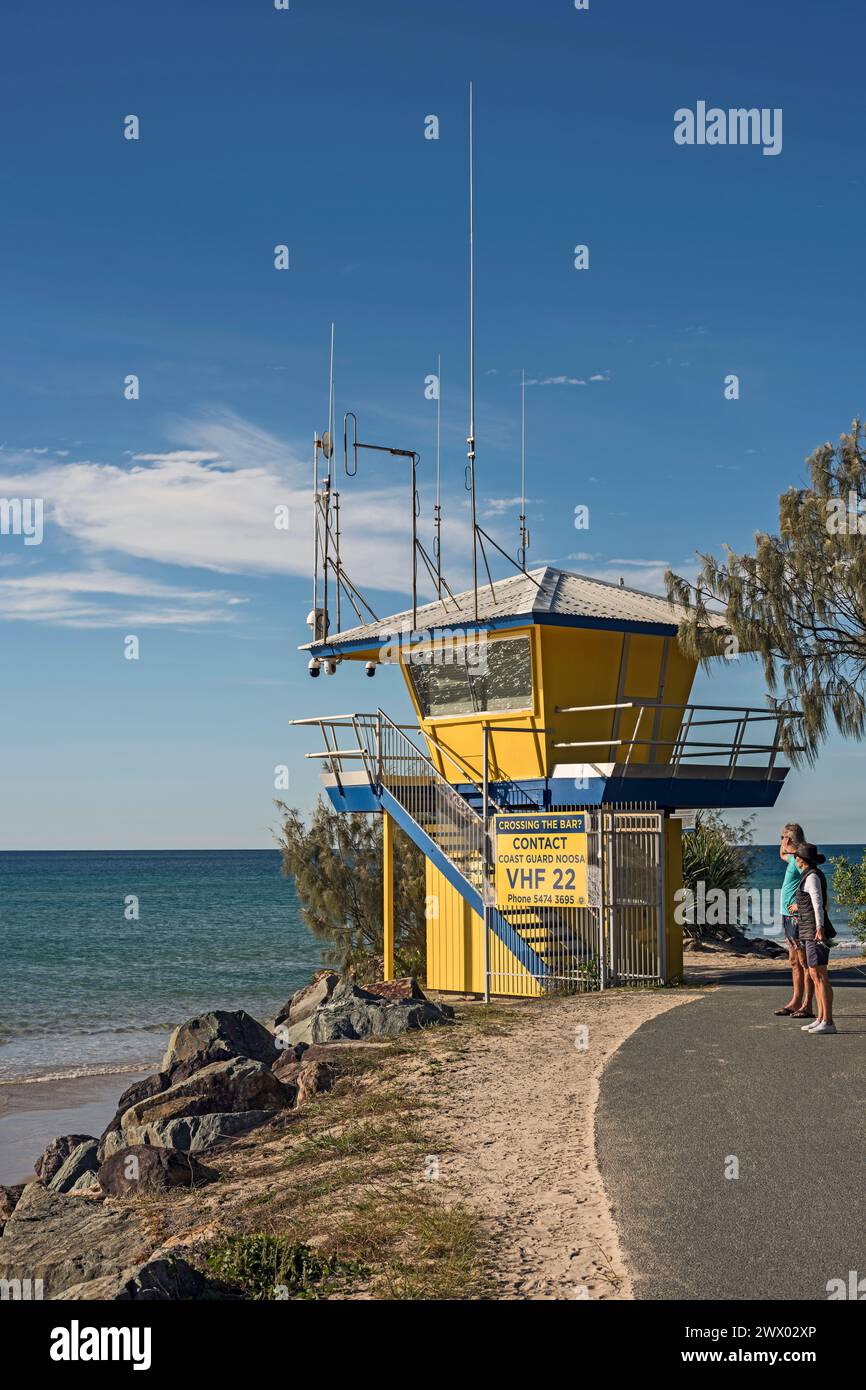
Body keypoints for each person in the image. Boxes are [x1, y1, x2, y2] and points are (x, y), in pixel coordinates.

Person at [791, 842, 837, 1035]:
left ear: (802, 859)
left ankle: (828, 1021)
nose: (795, 859)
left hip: (815, 932)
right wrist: (797, 907)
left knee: (820, 976)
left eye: (796, 857)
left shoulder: (812, 877)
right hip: (808, 931)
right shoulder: (809, 876)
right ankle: (820, 1018)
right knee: (813, 975)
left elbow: (818, 903)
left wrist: (819, 928)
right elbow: (810, 902)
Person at [773, 822, 815, 1020]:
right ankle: (795, 1001)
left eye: (782, 837)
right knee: (793, 961)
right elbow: (782, 854)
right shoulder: (791, 858)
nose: (780, 840)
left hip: (797, 917)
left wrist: (800, 904)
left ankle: (807, 1005)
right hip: (787, 916)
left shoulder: (800, 860)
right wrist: (785, 844)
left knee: (804, 962)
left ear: (789, 839)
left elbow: (812, 880)